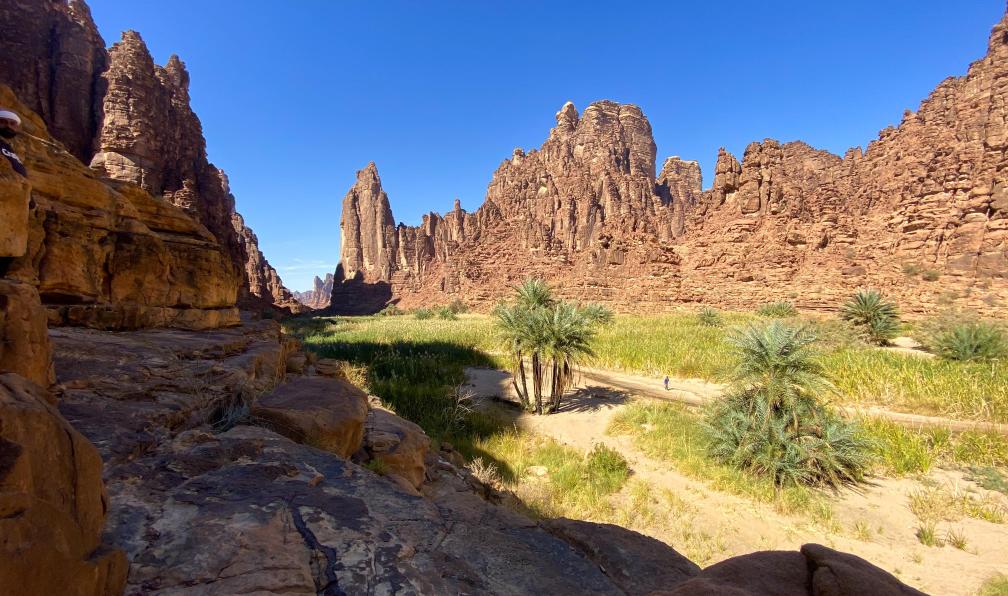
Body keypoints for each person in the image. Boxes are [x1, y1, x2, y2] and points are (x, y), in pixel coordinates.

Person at [0, 110, 27, 177]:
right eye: (3, 122)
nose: (8, 126)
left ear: (17, 127)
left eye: (12, 123)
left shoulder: (15, 147)